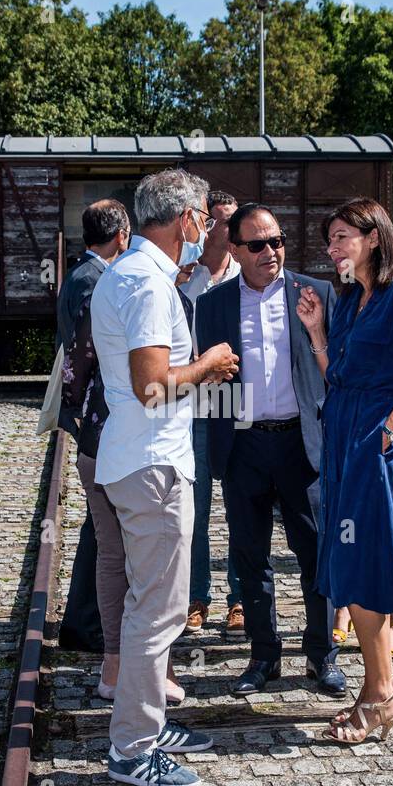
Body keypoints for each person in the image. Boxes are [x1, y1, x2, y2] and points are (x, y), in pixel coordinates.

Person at [90, 168, 239, 786]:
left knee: (145, 606)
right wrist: (208, 363)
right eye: (204, 215)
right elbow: (154, 384)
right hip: (154, 464)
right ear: (186, 219)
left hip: (133, 458)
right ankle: (133, 749)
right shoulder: (147, 283)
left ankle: (145, 723)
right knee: (159, 612)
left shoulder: (128, 272)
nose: (207, 226)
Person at [297, 196, 393, 743]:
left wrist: (387, 432)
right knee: (350, 562)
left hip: (374, 441)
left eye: (342, 238)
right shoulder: (351, 297)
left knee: (368, 561)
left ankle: (382, 692)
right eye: (329, 239)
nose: (332, 248)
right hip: (343, 436)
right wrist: (316, 334)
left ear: (374, 237)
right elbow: (340, 376)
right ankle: (379, 686)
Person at [194, 203, 347, 698]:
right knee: (250, 557)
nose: (270, 252)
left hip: (302, 446)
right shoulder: (213, 304)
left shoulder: (316, 293)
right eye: (257, 245)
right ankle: (263, 657)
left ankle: (322, 656)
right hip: (244, 446)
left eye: (277, 242)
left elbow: (339, 371)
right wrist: (220, 442)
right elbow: (211, 384)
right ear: (235, 250)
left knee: (316, 554)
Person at [62, 202, 185, 707]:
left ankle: (119, 669)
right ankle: (137, 693)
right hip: (123, 439)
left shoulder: (91, 277)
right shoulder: (124, 281)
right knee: (145, 577)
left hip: (100, 438)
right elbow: (141, 382)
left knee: (116, 557)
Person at [54, 200, 131, 653]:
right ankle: (83, 623)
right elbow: (88, 353)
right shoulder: (94, 280)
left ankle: (86, 620)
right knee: (99, 532)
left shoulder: (81, 273)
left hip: (93, 416)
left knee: (98, 527)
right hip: (98, 418)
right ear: (121, 234)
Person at [177, 191, 244, 637]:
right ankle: (196, 596)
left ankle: (240, 600)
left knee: (241, 503)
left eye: (231, 221)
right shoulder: (183, 279)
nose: (226, 229)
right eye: (220, 221)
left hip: (236, 401)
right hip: (195, 405)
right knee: (196, 507)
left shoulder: (248, 274)